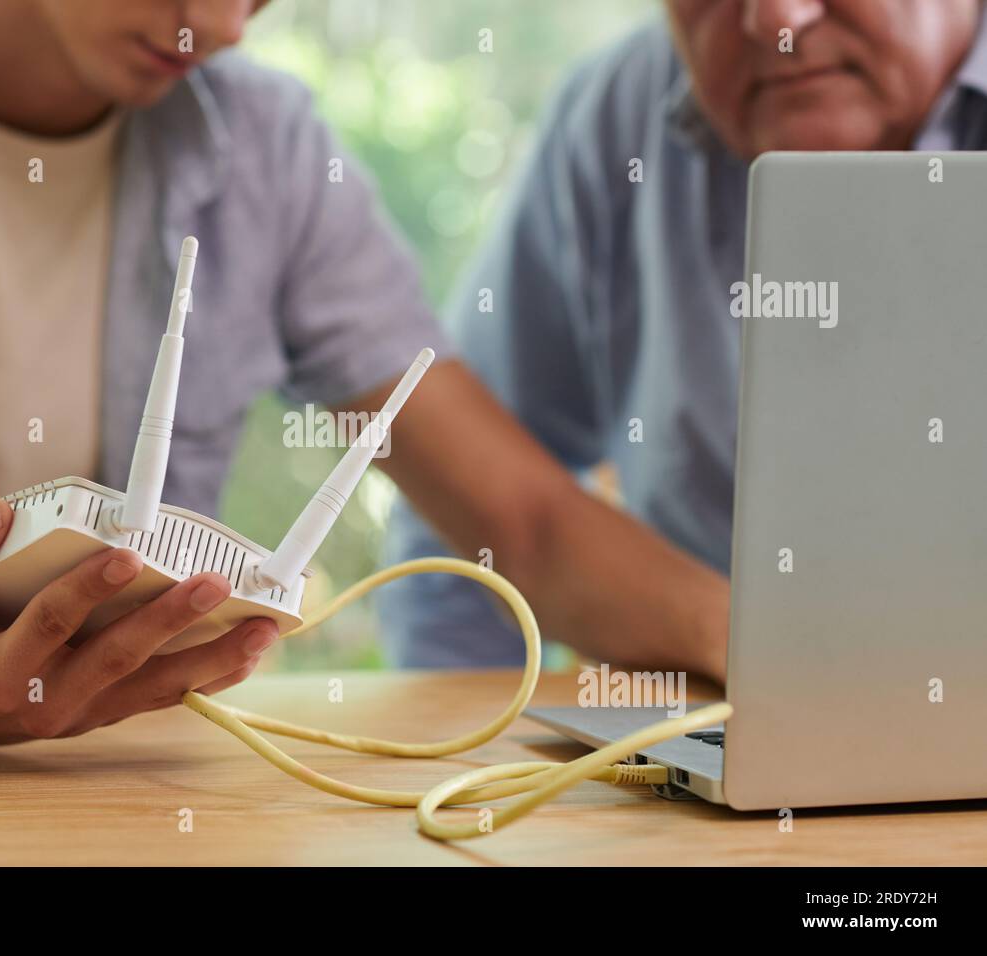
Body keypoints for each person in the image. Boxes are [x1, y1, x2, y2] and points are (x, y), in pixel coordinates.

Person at [0, 0, 729, 750]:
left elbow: (527, 521)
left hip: (111, 790)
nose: (227, 23)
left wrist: (781, 650)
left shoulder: (265, 148)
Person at [382, 0, 987, 667]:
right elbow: (462, 505)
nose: (777, 20)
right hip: (716, 729)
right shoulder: (614, 124)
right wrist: (473, 747)